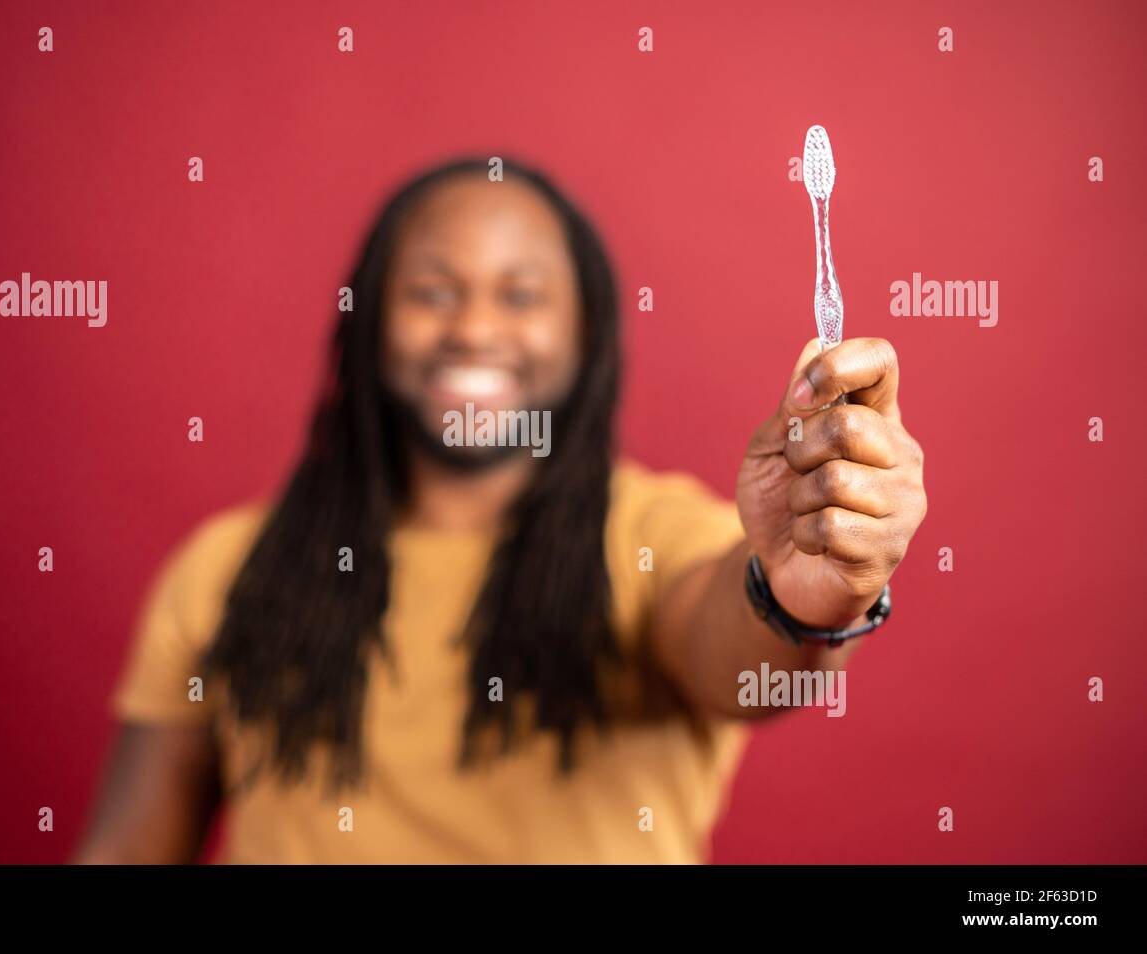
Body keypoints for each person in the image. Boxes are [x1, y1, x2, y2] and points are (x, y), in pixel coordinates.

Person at [73, 157, 927, 864]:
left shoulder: (652, 536)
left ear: (585, 333)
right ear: (369, 321)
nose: (475, 328)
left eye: (520, 296)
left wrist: (800, 600)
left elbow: (739, 659)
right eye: (433, 291)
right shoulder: (224, 567)